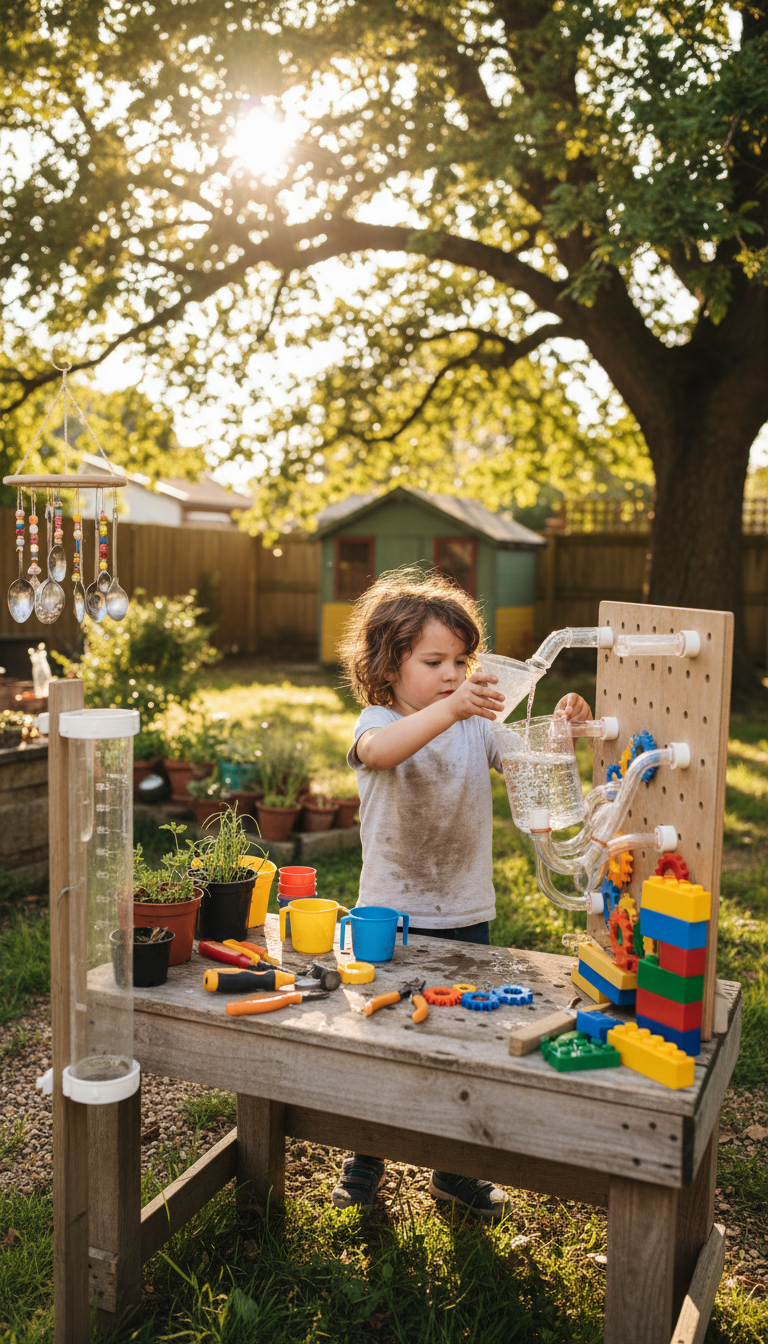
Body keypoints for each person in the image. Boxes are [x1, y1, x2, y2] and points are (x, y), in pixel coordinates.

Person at [331, 567, 591, 1220]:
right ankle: (365, 1155)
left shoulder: (478, 727)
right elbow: (382, 753)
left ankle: (454, 1172)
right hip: (386, 918)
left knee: (462, 1042)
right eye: (434, 661)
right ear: (387, 666)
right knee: (382, 1038)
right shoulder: (378, 720)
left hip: (465, 912)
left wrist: (563, 727)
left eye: (462, 661)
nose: (453, 674)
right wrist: (450, 708)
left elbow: (533, 762)